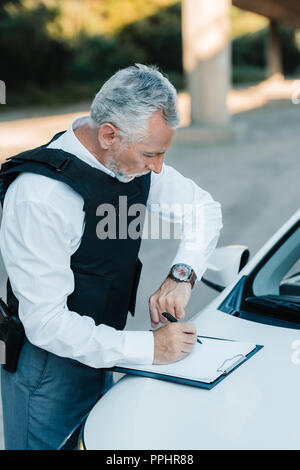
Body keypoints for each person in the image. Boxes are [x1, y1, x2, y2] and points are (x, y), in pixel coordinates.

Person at [0, 64, 222, 450]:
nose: (158, 167)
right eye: (151, 154)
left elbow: (203, 209)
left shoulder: (130, 163)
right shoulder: (40, 196)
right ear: (108, 135)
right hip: (48, 371)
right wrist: (151, 349)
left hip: (106, 350)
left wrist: (182, 274)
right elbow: (47, 324)